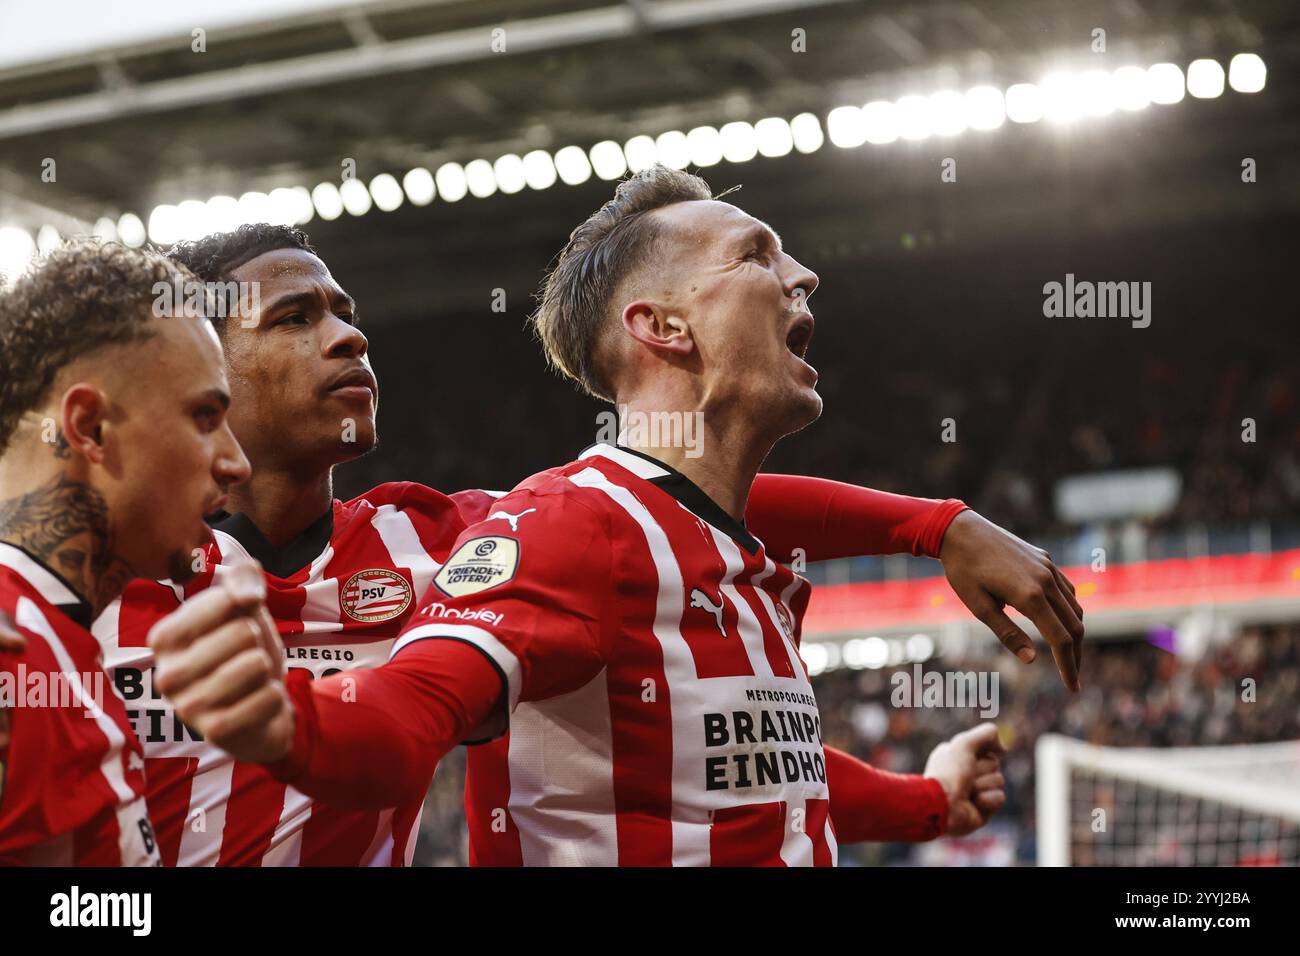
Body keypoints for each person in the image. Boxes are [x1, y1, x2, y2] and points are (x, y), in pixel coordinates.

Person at [151, 166, 1085, 865]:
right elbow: (412, 710)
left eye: (346, 310)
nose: (350, 333)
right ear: (198, 369)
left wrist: (937, 528)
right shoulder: (86, 579)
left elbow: (745, 754)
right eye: (294, 317)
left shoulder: (437, 540)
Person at [0, 240, 249, 864]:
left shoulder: (57, 641)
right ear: (89, 427)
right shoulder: (15, 648)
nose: (235, 462)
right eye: (203, 416)